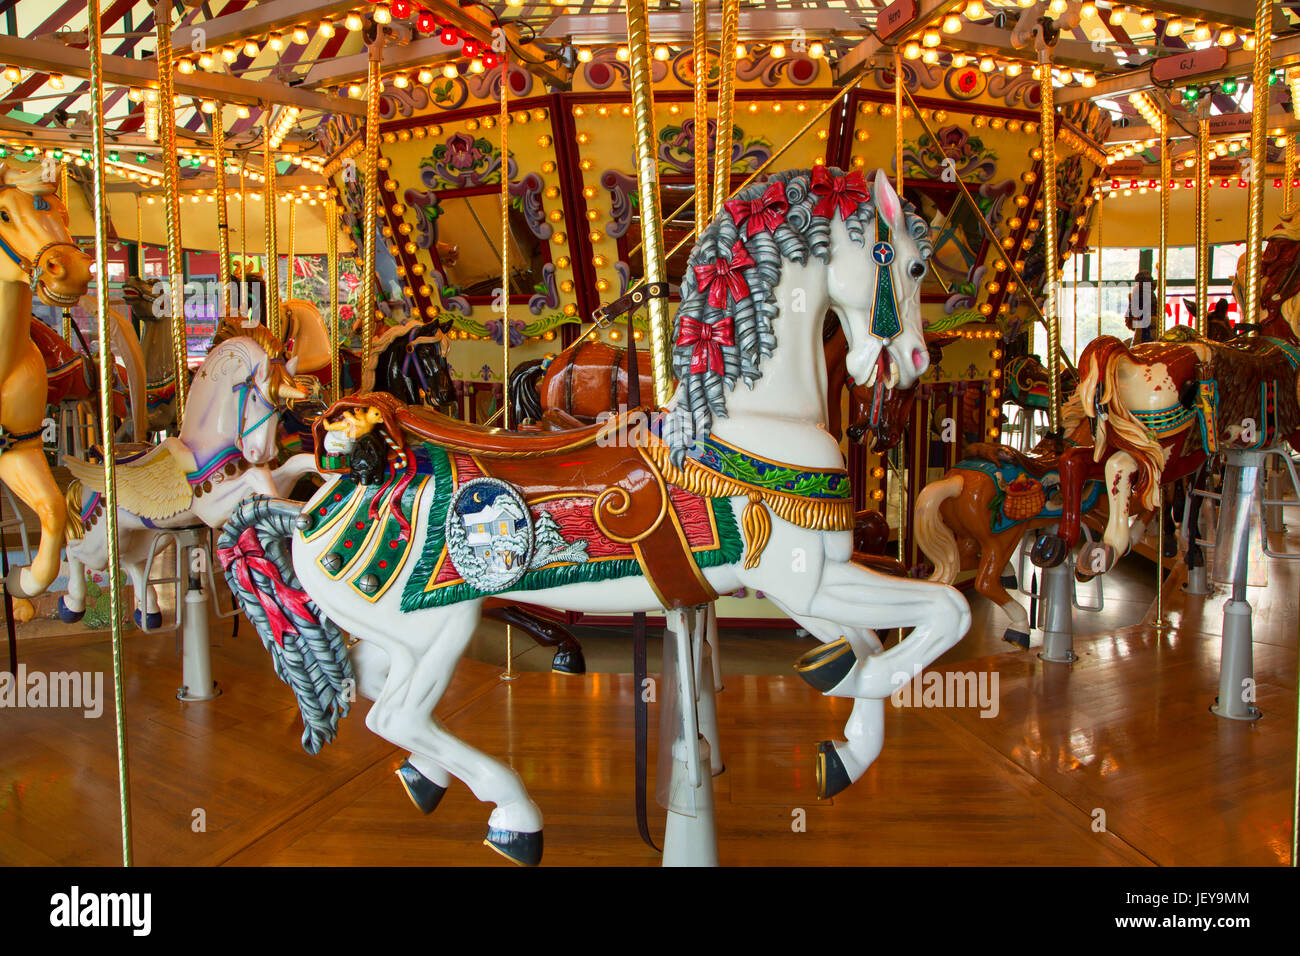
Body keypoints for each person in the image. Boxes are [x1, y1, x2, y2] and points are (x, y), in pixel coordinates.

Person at [1125, 269, 1155, 344]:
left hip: (1148, 335)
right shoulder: (1136, 297)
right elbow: (1130, 322)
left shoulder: (1148, 297)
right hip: (1142, 334)